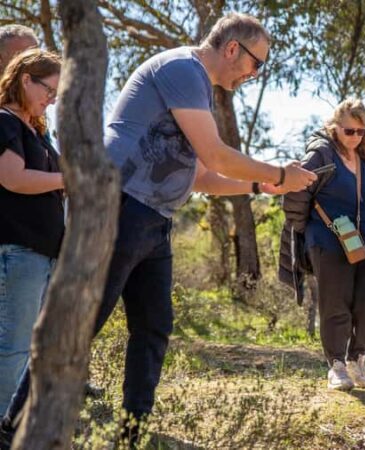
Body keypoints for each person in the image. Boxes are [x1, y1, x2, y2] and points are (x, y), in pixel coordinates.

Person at [0, 12, 317, 447]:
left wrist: (262, 185)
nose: (254, 74)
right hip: (121, 208)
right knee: (80, 323)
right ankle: (15, 426)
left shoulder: (198, 86)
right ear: (232, 49)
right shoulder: (182, 69)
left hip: (154, 220)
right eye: (255, 63)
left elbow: (203, 176)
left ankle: (132, 435)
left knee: (153, 327)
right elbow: (217, 155)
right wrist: (280, 173)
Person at [281, 98, 365, 391]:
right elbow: (294, 194)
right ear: (334, 127)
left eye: (361, 131)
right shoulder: (321, 154)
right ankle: (336, 365)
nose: (355, 137)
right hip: (328, 239)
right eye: (349, 130)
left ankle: (358, 358)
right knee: (335, 302)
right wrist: (308, 232)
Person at [0, 49, 62, 416]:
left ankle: (18, 423)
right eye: (48, 90)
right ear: (26, 79)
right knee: (13, 345)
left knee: (27, 345)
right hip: (17, 251)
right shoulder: (5, 122)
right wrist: (68, 179)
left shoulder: (35, 131)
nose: (50, 100)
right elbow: (13, 178)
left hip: (40, 254)